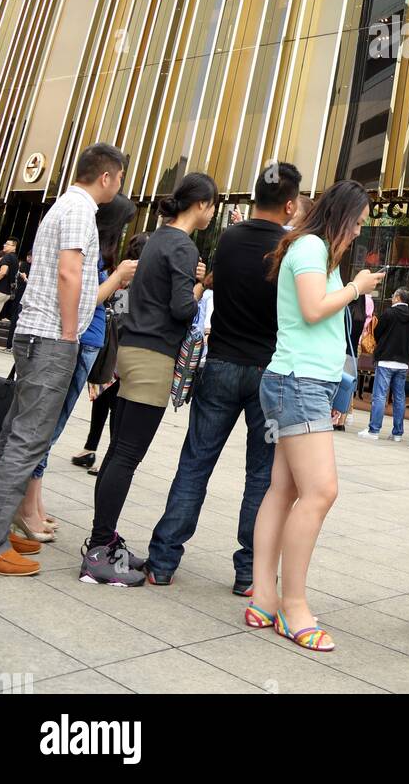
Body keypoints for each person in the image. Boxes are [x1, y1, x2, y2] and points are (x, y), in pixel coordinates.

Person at [146, 162, 302, 593]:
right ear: (290, 204)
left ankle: (162, 560)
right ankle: (249, 572)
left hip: (219, 365)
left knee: (195, 463)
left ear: (254, 196)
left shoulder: (229, 239)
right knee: (261, 476)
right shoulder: (291, 248)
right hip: (266, 375)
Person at [247, 181, 383, 649]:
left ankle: (265, 596)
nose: (359, 232)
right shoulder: (310, 247)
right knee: (321, 491)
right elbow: (311, 310)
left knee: (284, 489)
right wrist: (355, 288)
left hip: (300, 380)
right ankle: (293, 606)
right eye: (359, 223)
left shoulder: (313, 248)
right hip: (297, 382)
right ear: (342, 217)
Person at [0, 143, 125, 577]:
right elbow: (70, 271)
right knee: (27, 439)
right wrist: (70, 333)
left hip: (37, 334)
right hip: (51, 338)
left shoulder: (63, 205)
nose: (120, 186)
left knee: (15, 433)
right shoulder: (81, 211)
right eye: (120, 177)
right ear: (106, 176)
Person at [80, 172, 217, 586]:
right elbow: (180, 310)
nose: (212, 213)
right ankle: (100, 550)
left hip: (134, 351)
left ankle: (102, 540)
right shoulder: (181, 245)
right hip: (155, 357)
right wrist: (197, 287)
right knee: (127, 455)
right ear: (201, 204)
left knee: (118, 450)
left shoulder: (158, 238)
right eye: (211, 206)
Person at [12, 194, 137, 540]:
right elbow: (85, 298)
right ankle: (26, 507)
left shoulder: (92, 248)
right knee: (46, 428)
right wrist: (118, 278)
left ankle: (32, 502)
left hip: (88, 342)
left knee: (50, 425)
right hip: (78, 340)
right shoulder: (86, 246)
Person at [72, 233, 150, 474]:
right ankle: (92, 448)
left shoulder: (129, 280)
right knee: (107, 400)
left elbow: (120, 316)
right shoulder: (141, 278)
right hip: (129, 349)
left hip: (120, 350)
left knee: (111, 402)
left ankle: (106, 455)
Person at [358, 287, 409, 441]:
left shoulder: (389, 313)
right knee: (399, 398)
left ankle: (374, 430)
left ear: (397, 298)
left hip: (386, 360)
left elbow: (377, 333)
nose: (391, 298)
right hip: (402, 363)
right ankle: (397, 433)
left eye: (393, 296)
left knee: (380, 396)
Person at [0, 239, 20, 346]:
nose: (4, 245)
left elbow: (3, 272)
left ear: (14, 247)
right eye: (5, 243)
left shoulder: (7, 257)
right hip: (6, 293)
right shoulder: (15, 259)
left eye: (7, 244)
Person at [6, 252, 31, 351]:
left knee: (17, 320)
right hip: (18, 297)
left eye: (31, 256)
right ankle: (9, 345)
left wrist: (25, 278)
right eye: (28, 256)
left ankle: (12, 346)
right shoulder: (23, 265)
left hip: (25, 299)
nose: (28, 258)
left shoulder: (33, 268)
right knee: (14, 320)